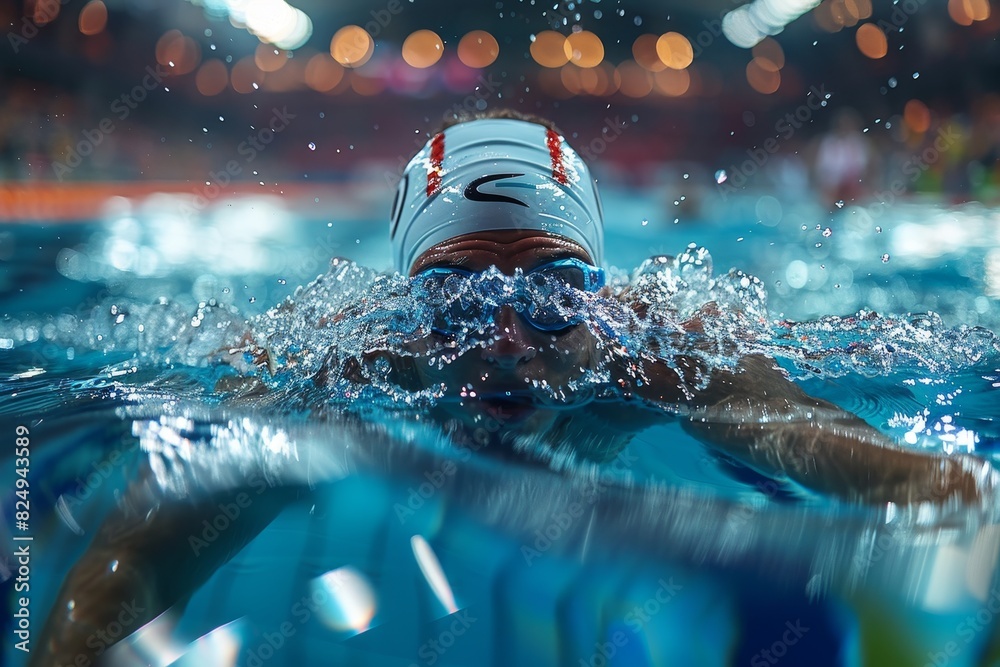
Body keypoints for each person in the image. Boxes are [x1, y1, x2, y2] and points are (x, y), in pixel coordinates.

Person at [33, 109, 997, 666]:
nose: (503, 342)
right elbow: (134, 558)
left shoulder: (659, 352)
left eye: (549, 293)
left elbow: (882, 470)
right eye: (454, 301)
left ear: (599, 293)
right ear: (408, 304)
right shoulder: (344, 361)